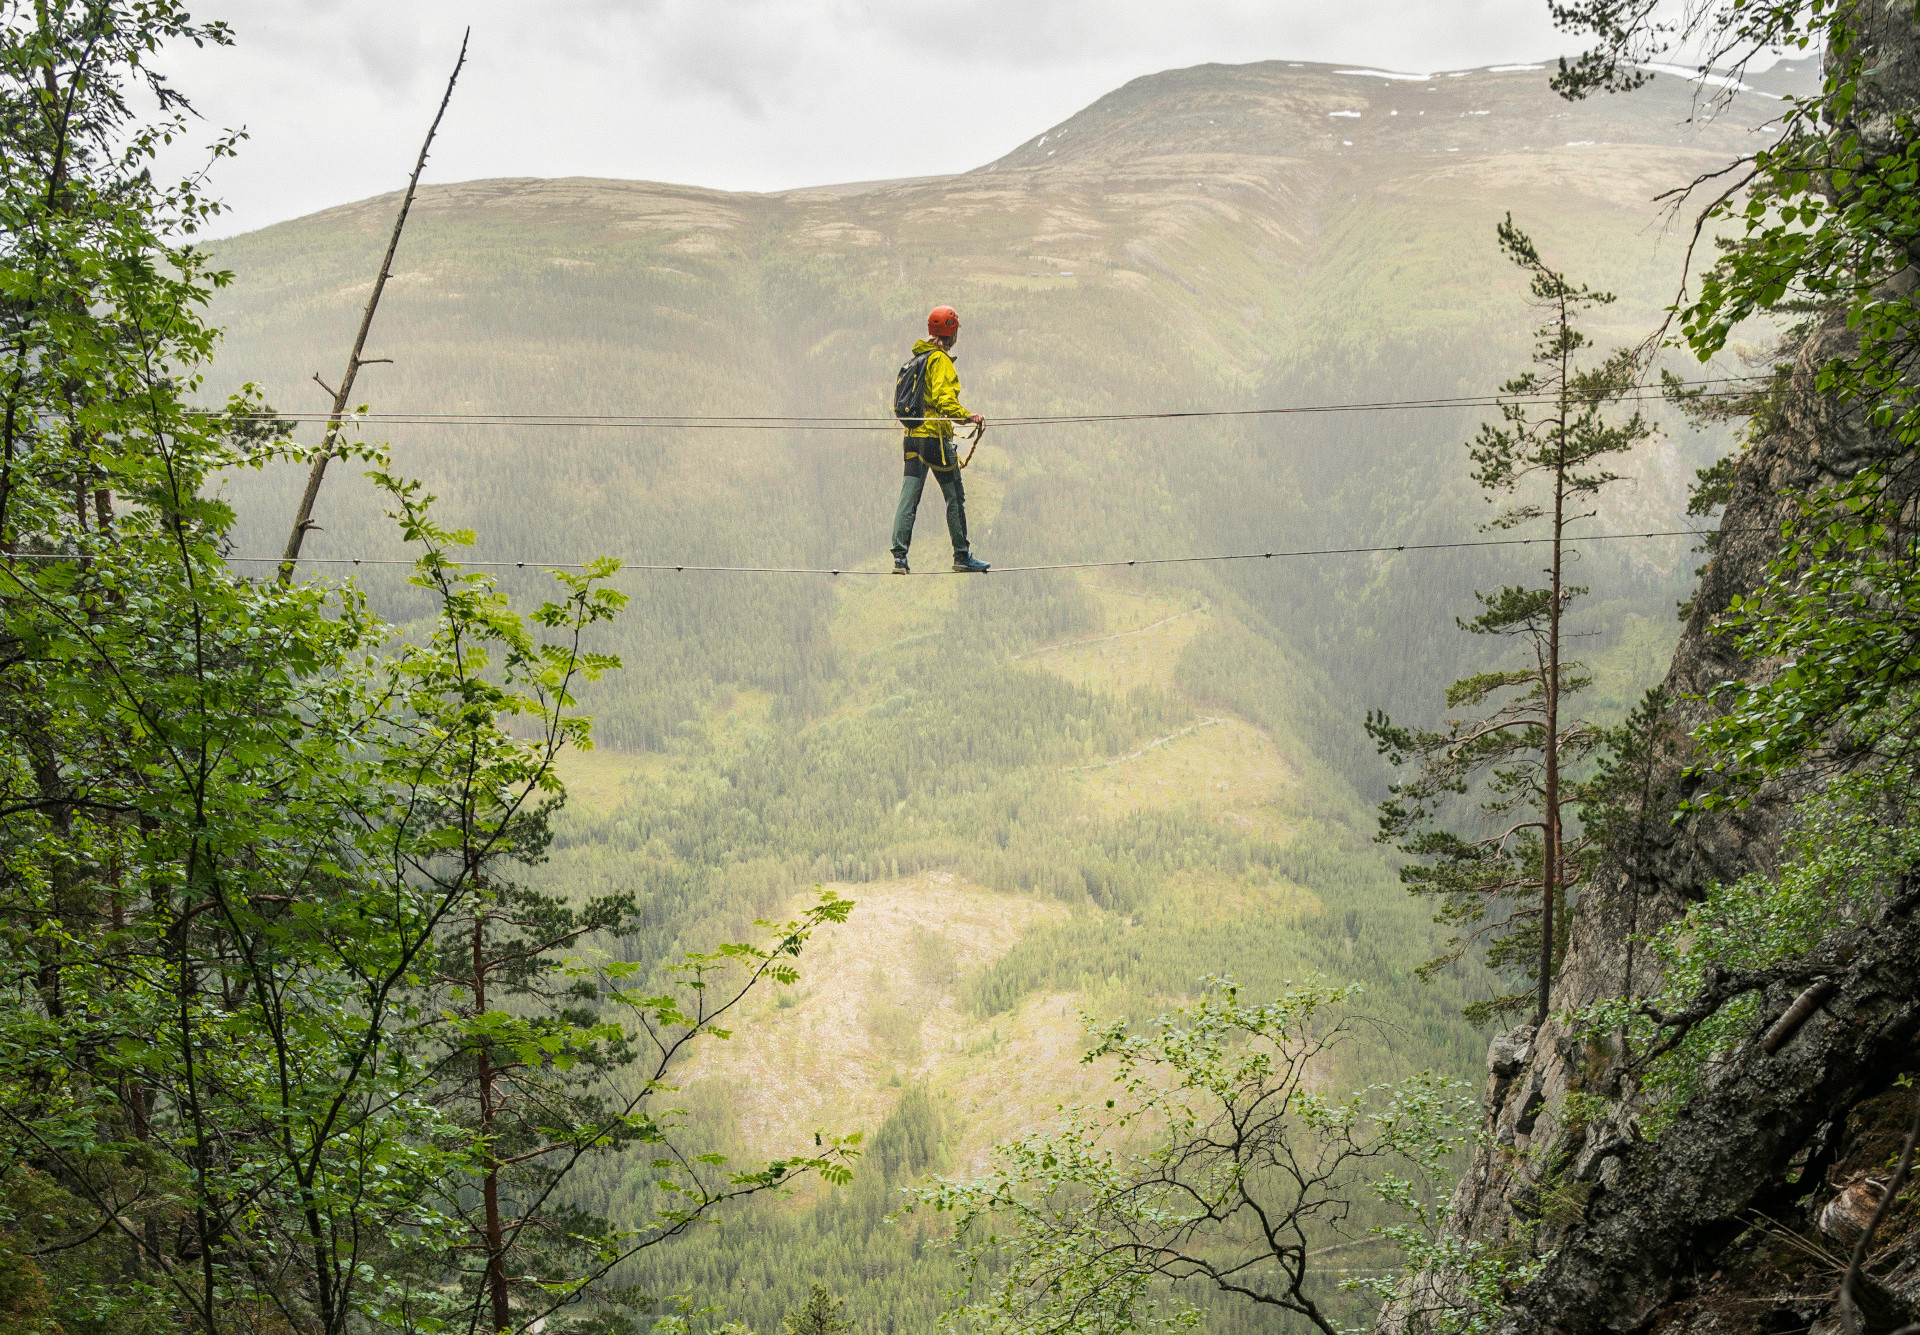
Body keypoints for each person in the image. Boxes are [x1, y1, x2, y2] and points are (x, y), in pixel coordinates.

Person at [891, 305, 988, 573]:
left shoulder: (917, 359)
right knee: (954, 496)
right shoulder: (939, 361)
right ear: (951, 332)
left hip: (912, 437)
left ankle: (899, 558)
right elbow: (945, 402)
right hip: (935, 440)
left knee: (909, 496)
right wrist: (968, 417)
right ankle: (961, 555)